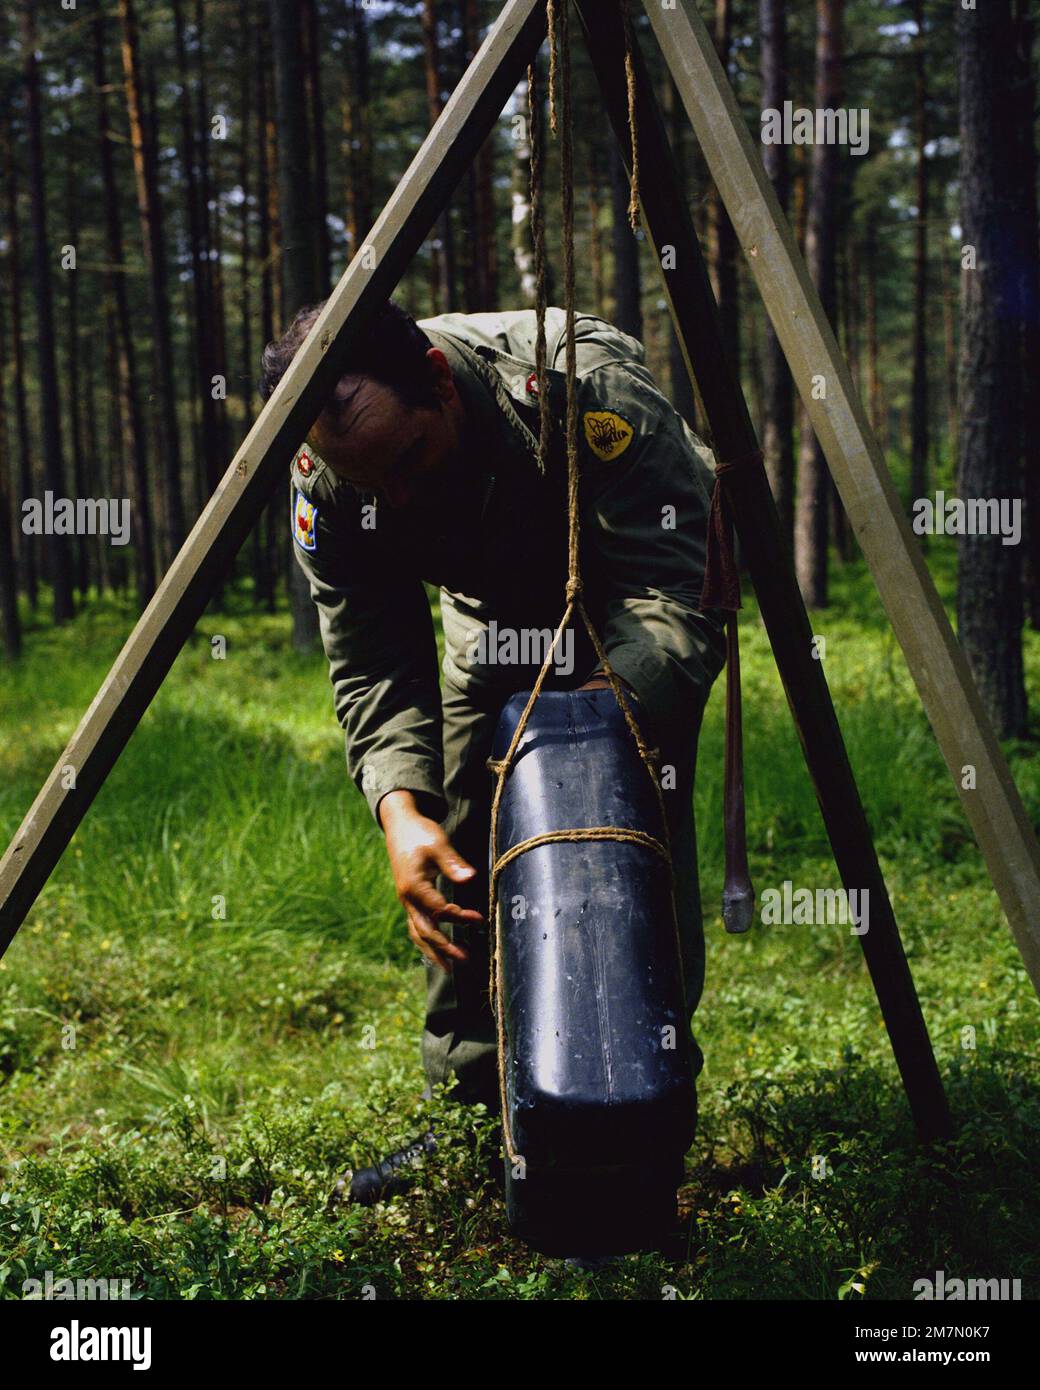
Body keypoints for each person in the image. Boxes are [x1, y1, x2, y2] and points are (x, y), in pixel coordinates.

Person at [260, 300, 727, 1201]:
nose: (394, 497)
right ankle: (471, 1124)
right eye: (371, 484)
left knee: (618, 847)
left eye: (408, 463)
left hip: (629, 610)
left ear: (438, 380)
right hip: (489, 628)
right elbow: (370, 652)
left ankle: (634, 1141)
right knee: (457, 865)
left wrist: (581, 733)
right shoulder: (326, 470)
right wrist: (401, 810)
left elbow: (682, 582)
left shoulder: (588, 393)